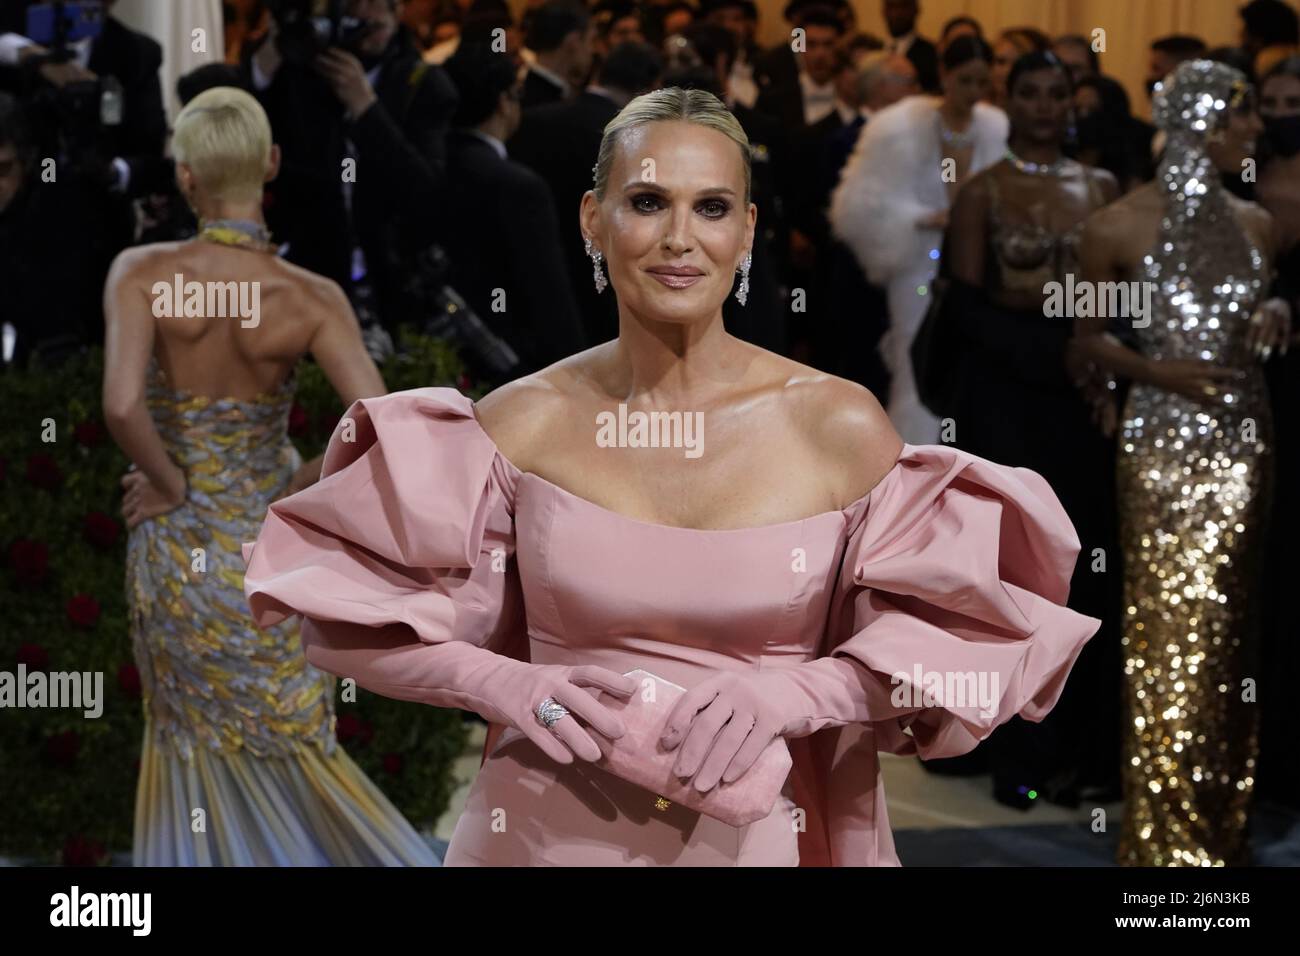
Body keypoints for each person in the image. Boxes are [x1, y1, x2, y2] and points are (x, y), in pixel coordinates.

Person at [244, 86, 1100, 867]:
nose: (681, 238)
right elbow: (347, 617)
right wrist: (506, 682)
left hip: (768, 835)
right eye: (648, 202)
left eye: (712, 207)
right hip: (543, 832)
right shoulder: (518, 421)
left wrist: (803, 691)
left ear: (749, 231)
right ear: (593, 219)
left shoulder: (834, 425)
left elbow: (961, 641)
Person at [102, 86, 434, 866]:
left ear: (185, 177)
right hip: (269, 552)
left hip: (172, 549)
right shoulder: (309, 297)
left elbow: (121, 405)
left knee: (189, 740)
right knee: (290, 737)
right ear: (272, 164)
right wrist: (296, 483)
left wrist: (173, 482)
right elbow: (386, 426)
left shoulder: (142, 270)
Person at [1073, 60, 1292, 866]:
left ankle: (1218, 825)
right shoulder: (1117, 224)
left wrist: (1274, 307)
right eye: (1242, 118)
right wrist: (1157, 373)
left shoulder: (1257, 223)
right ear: (1204, 124)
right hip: (1162, 443)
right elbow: (1086, 338)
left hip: (1244, 445)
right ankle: (1162, 837)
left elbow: (1268, 300)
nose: (1256, 131)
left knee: (1229, 630)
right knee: (1161, 629)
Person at [938, 51, 1121, 808]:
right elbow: (965, 305)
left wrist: (1100, 364)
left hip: (1081, 403)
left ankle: (1080, 746)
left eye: (1057, 94)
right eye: (1030, 94)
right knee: (1013, 572)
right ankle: (1011, 745)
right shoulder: (983, 192)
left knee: (1082, 574)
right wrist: (1049, 348)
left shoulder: (1105, 188)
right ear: (1007, 101)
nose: (1046, 107)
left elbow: (1123, 293)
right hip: (1008, 399)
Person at [829, 35, 1007, 444]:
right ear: (943, 75)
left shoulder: (996, 127)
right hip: (917, 266)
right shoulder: (896, 127)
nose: (974, 93)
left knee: (971, 367)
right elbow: (856, 209)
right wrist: (922, 220)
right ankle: (913, 466)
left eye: (983, 83)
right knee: (915, 365)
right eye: (965, 81)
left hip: (977, 268)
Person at [439, 40, 585, 374]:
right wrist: (578, 372)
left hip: (442, 352)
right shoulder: (519, 186)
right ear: (505, 101)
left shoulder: (430, 166)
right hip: (512, 363)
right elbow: (550, 297)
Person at [881, 0, 938, 93]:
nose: (897, 13)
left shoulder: (931, 53)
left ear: (916, 10)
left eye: (903, 7)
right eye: (891, 6)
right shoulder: (876, 50)